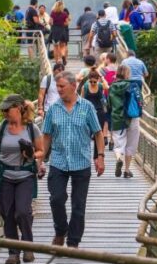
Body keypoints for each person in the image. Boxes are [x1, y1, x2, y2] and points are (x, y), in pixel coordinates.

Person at [42, 71, 105, 248]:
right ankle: (60, 231)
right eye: (57, 86)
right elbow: (46, 136)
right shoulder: (54, 109)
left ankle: (73, 242)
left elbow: (98, 133)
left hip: (81, 161)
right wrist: (39, 160)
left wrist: (100, 157)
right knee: (56, 198)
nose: (59, 90)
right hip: (58, 161)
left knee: (79, 205)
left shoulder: (87, 107)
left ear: (73, 86)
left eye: (62, 86)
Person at [0, 95, 45, 264]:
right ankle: (13, 252)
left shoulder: (31, 129)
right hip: (4, 177)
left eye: (7, 110)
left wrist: (31, 153)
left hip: (25, 176)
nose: (5, 113)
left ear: (18, 108)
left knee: (22, 212)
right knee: (7, 213)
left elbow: (41, 151)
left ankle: (27, 245)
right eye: (3, 111)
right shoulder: (0, 129)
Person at [108, 65, 141, 178]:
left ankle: (118, 159)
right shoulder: (132, 85)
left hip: (117, 118)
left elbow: (109, 104)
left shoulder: (112, 87)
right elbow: (139, 101)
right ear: (127, 73)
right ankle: (127, 170)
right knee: (131, 145)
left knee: (119, 144)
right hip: (132, 117)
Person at [79, 70, 110, 158]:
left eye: (94, 82)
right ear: (88, 80)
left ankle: (97, 156)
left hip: (99, 111)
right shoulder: (85, 87)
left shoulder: (100, 86)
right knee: (86, 133)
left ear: (97, 80)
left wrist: (102, 77)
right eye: (91, 81)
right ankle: (85, 154)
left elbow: (107, 87)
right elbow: (81, 100)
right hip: (88, 112)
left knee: (98, 133)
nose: (92, 83)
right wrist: (81, 114)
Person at [50, 0, 70, 65]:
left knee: (55, 47)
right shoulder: (64, 14)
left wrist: (54, 24)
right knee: (63, 46)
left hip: (55, 31)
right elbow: (67, 23)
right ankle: (63, 55)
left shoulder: (53, 13)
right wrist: (61, 24)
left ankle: (56, 62)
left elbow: (50, 22)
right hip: (62, 30)